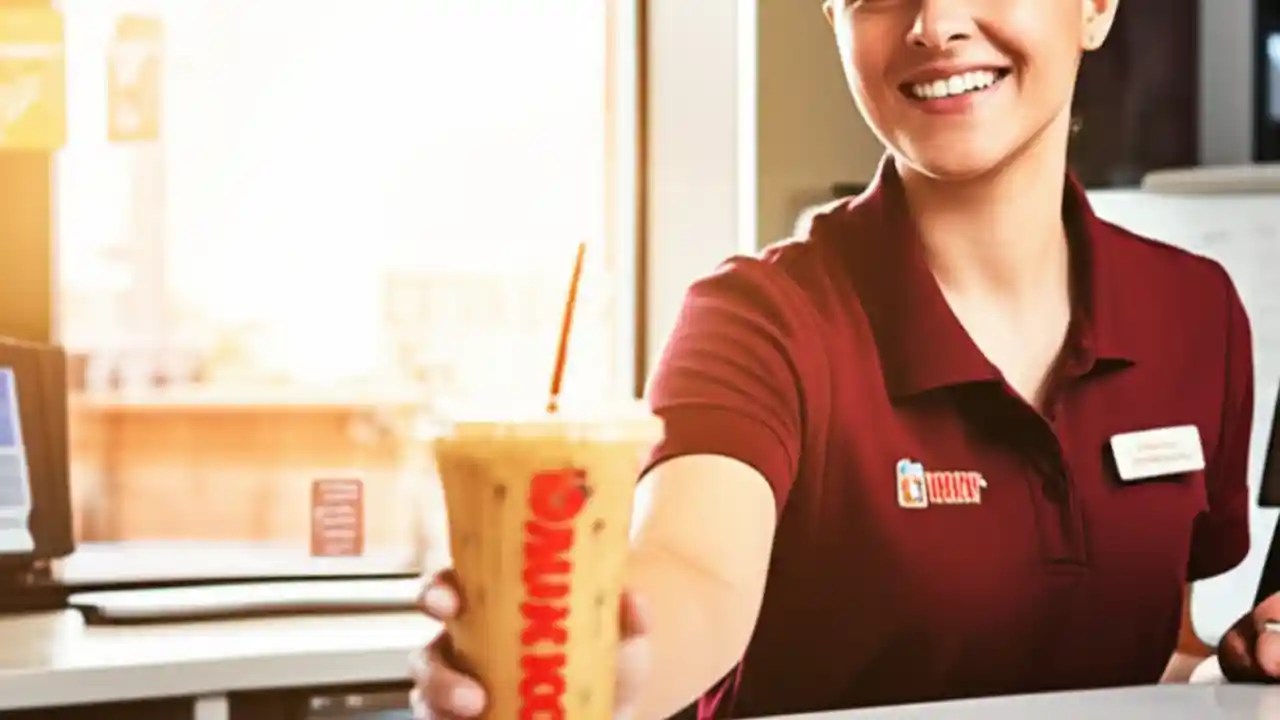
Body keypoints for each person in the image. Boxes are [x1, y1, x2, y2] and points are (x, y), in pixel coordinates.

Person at [411, 0, 1280, 717]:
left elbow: (1159, 648)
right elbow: (695, 575)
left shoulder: (1195, 312)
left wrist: (1230, 670)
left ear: (1095, 7)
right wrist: (602, 660)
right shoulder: (757, 322)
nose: (934, 22)